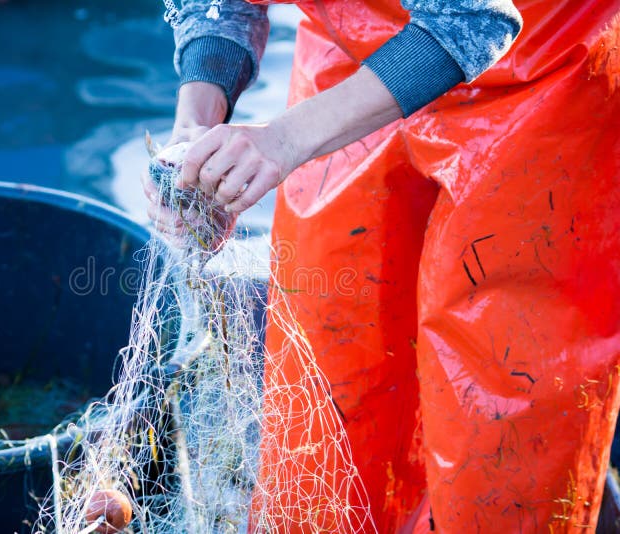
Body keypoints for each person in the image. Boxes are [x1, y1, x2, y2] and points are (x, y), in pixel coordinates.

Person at [142, 0, 620, 532]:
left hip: (543, 67)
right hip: (350, 49)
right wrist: (195, 129)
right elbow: (217, 7)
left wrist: (282, 141)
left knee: (503, 411)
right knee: (329, 383)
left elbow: (477, 19)